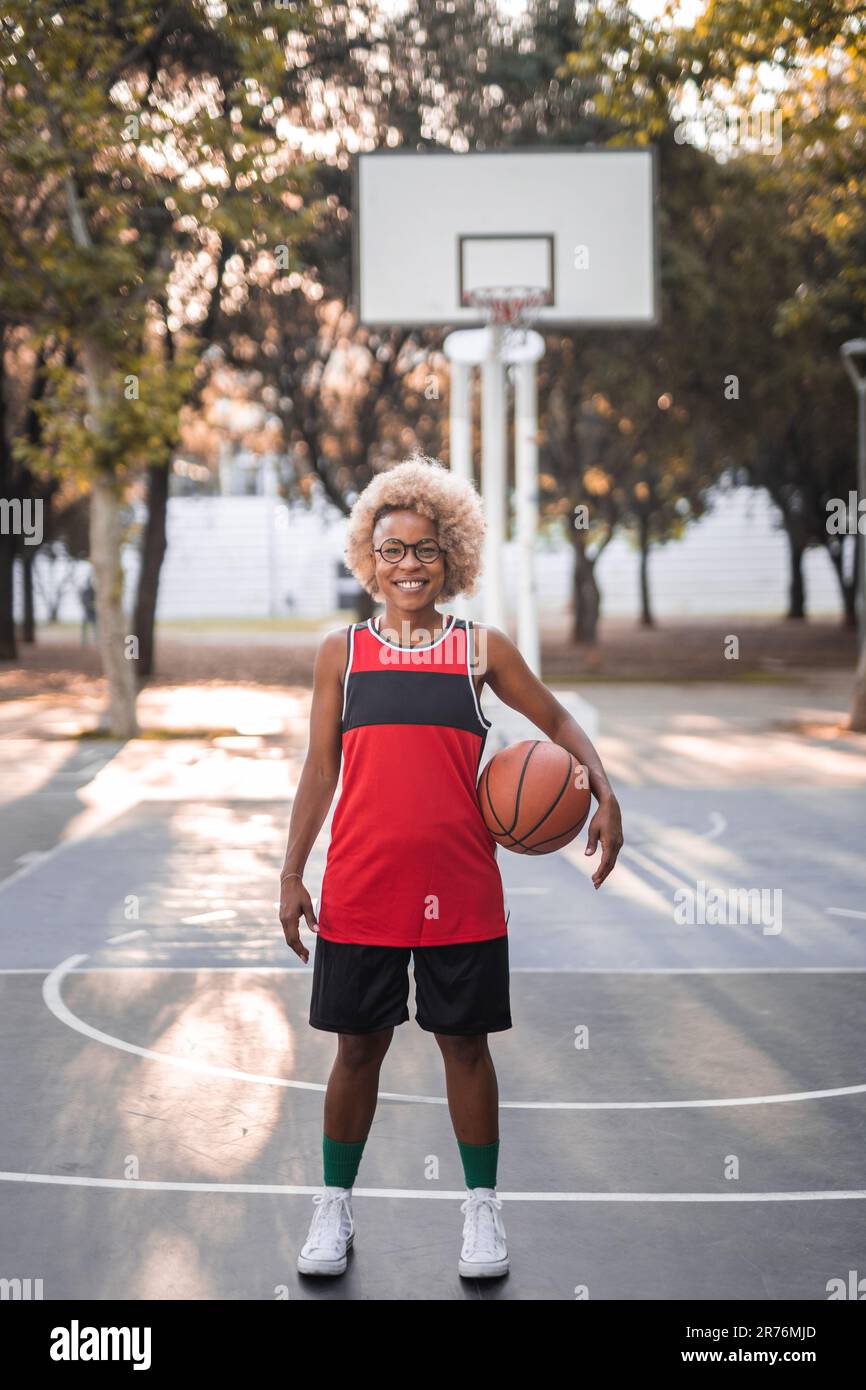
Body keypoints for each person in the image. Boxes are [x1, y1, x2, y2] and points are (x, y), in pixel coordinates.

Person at [279, 452, 623, 1279]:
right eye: (392, 549)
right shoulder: (343, 653)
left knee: (465, 1047)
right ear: (370, 557)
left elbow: (558, 720)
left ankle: (481, 1213)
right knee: (355, 1050)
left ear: (452, 557)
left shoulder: (481, 650)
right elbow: (320, 771)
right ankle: (333, 1209)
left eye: (426, 550)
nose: (408, 565)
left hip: (460, 892)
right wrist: (293, 872)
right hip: (361, 886)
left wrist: (604, 791)